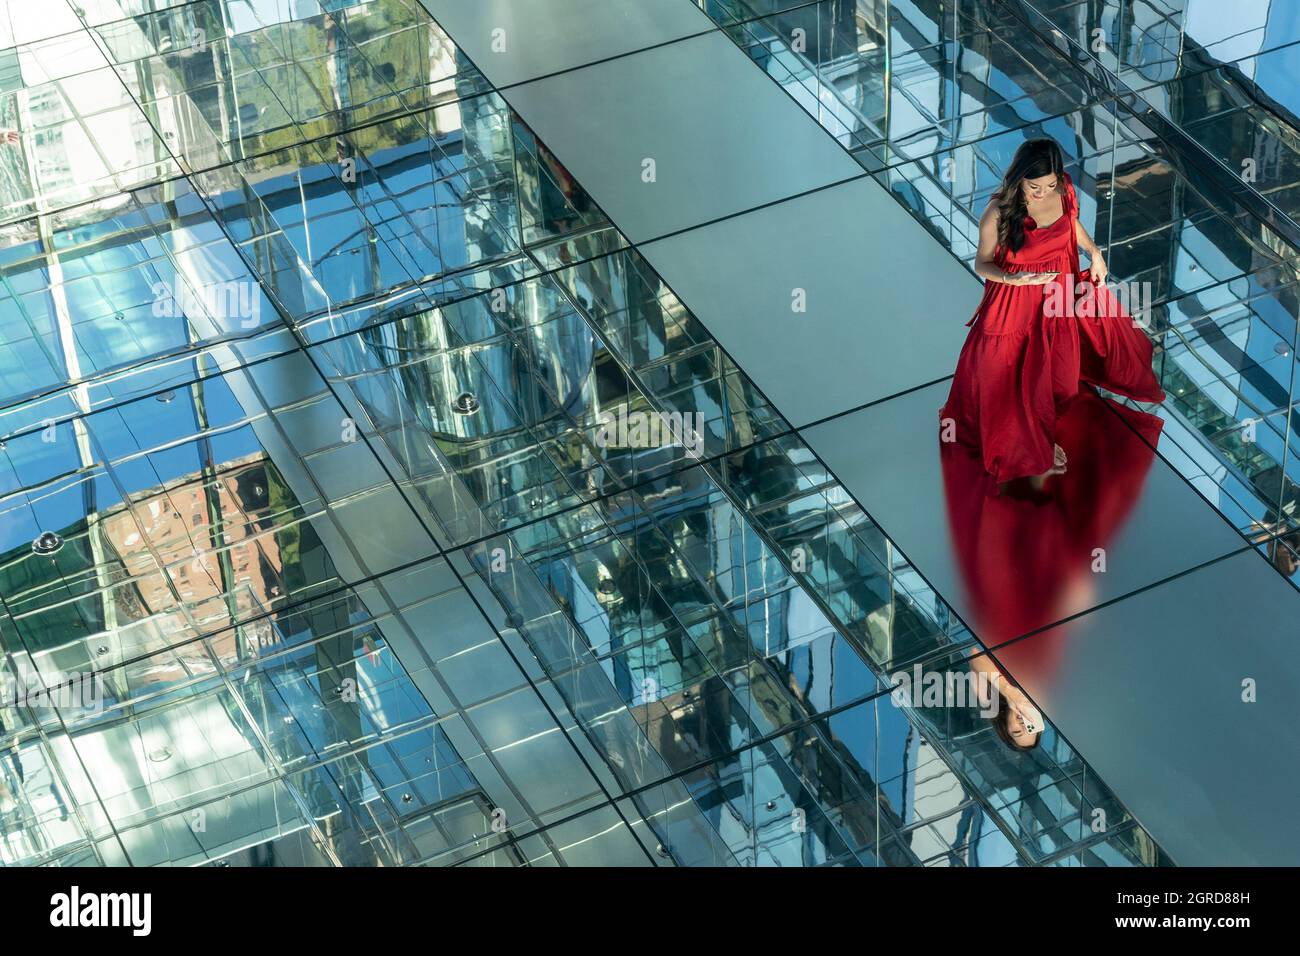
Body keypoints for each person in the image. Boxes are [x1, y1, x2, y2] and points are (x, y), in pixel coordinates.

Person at [940, 138, 1164, 492]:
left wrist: (1094, 252)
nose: (1043, 192)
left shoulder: (1063, 189)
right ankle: (1031, 443)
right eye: (1034, 186)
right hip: (1015, 300)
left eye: (1049, 185)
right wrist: (1015, 278)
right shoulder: (997, 213)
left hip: (1057, 291)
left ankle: (1042, 427)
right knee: (1011, 374)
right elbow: (982, 263)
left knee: (1054, 370)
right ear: (1019, 179)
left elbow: (1070, 224)